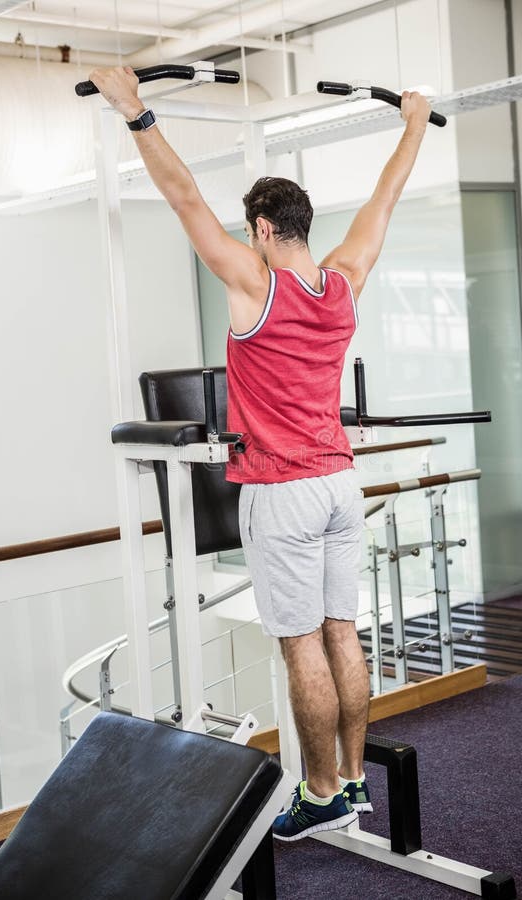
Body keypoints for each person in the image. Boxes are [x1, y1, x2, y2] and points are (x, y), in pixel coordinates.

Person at [89, 65, 431, 841]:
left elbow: (184, 201)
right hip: (343, 483)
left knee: (301, 642)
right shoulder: (343, 280)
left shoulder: (254, 281)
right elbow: (386, 198)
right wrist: (412, 123)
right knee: (343, 631)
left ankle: (317, 791)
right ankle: (349, 780)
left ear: (266, 230)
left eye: (253, 230)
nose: (248, 240)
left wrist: (136, 110)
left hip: (284, 492)